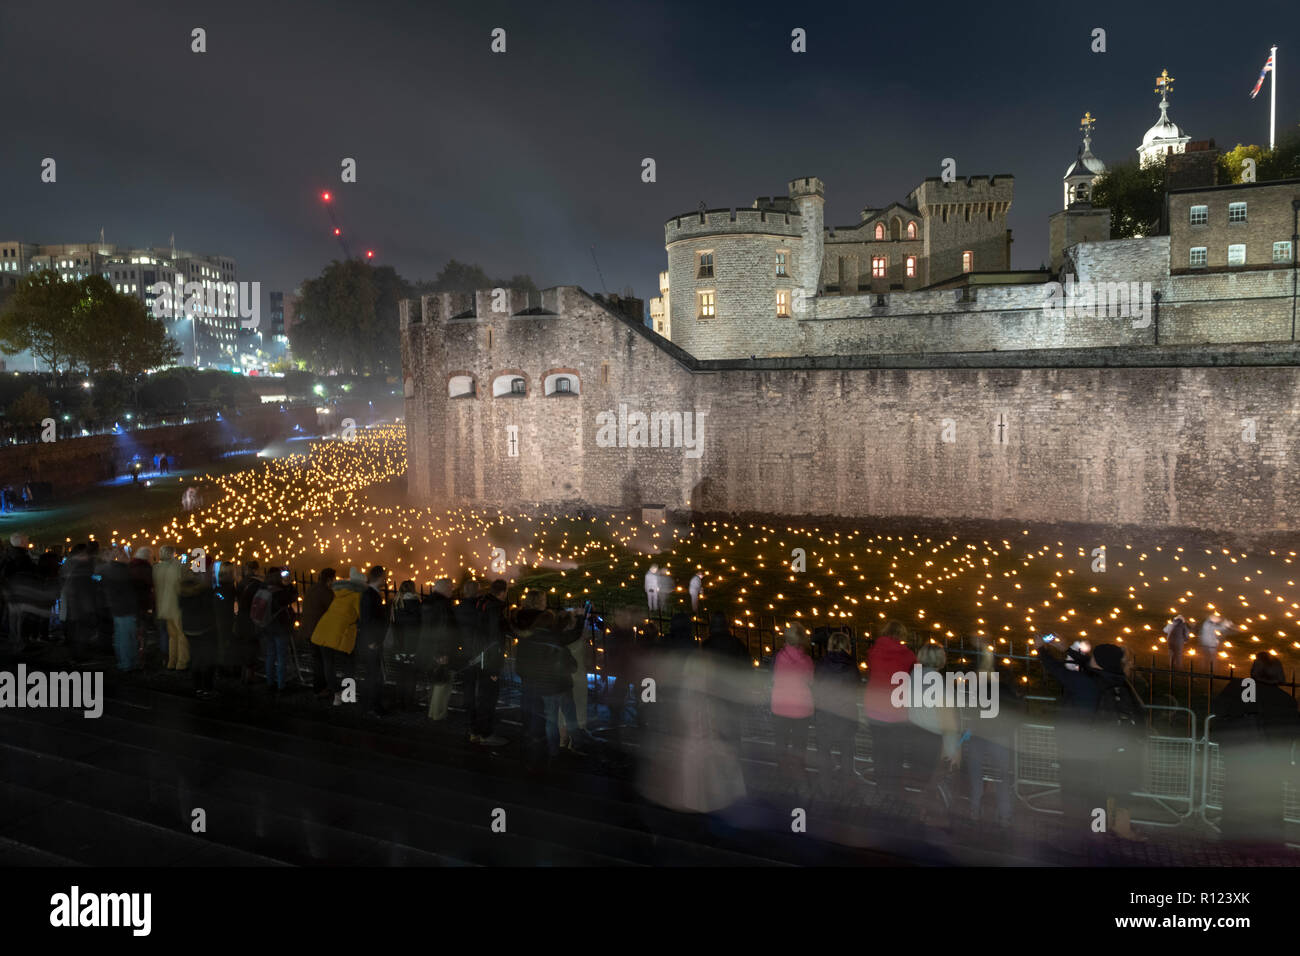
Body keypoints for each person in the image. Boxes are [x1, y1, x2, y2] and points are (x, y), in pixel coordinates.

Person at [1211, 655, 1300, 846]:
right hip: (1268, 761)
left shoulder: (1241, 686)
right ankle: (1266, 841)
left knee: (1236, 796)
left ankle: (1233, 837)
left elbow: (1218, 708)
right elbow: (1289, 733)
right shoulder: (1285, 701)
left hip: (1238, 754)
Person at [1089, 643, 1147, 842]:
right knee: (1120, 787)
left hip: (1106, 745)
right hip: (1122, 746)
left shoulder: (1100, 681)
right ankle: (1120, 827)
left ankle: (1102, 826)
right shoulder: (1119, 683)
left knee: (1107, 787)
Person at [964, 650, 1022, 829]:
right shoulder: (1006, 685)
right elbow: (1018, 709)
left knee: (975, 773)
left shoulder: (976, 685)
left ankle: (974, 809)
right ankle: (1005, 815)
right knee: (1002, 775)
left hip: (978, 733)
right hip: (1000, 735)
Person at [863, 620, 917, 803]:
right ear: (901, 635)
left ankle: (881, 787)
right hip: (897, 711)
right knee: (895, 753)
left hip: (875, 709)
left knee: (879, 750)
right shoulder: (908, 655)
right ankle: (893, 790)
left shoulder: (874, 652)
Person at [908, 643, 962, 827]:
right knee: (936, 779)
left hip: (915, 733)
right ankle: (934, 818)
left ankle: (922, 815)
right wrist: (952, 750)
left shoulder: (913, 676)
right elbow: (947, 720)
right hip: (933, 738)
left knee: (924, 778)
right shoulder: (938, 682)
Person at [463, 579, 509, 745]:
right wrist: (494, 669)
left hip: (474, 657)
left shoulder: (480, 604)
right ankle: (486, 734)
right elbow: (494, 641)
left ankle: (474, 731)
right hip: (488, 662)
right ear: (503, 592)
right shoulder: (494, 609)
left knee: (477, 697)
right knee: (488, 698)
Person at [814, 631, 861, 794]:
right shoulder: (852, 666)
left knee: (824, 752)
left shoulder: (820, 664)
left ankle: (825, 786)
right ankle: (847, 785)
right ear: (847, 646)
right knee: (847, 752)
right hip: (845, 716)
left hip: (824, 715)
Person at [311, 568, 365, 705]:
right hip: (341, 633)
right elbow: (362, 616)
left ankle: (336, 696)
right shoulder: (357, 596)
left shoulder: (339, 593)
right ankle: (348, 695)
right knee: (349, 665)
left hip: (323, 630)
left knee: (328, 664)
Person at [770, 623, 815, 780]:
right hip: (800, 708)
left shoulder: (778, 657)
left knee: (781, 741)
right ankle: (798, 770)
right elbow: (810, 681)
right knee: (799, 743)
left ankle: (782, 770)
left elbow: (774, 678)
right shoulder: (807, 660)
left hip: (780, 706)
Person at [179, 567, 219, 698]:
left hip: (189, 628)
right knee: (208, 658)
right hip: (205, 629)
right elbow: (218, 600)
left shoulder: (182, 591)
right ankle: (207, 688)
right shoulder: (204, 591)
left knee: (195, 656)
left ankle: (197, 687)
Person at [257, 567, 297, 694]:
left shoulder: (263, 587)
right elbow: (293, 597)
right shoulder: (279, 592)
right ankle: (281, 685)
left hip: (266, 625)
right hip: (279, 627)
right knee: (281, 657)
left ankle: (270, 682)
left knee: (270, 655)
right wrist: (289, 583)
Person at [421, 578, 456, 720]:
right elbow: (442, 630)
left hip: (428, 647)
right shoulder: (442, 605)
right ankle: (438, 713)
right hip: (439, 649)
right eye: (450, 588)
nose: (452, 590)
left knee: (435, 681)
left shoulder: (427, 601)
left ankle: (433, 712)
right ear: (444, 588)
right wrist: (442, 652)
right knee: (442, 683)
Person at [59, 544, 97, 665]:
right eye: (84, 553)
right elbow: (83, 586)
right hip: (80, 605)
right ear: (79, 554)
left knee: (74, 630)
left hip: (73, 604)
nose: (87, 555)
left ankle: (75, 655)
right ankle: (79, 657)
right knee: (80, 631)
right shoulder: (80, 568)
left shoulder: (70, 565)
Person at [301, 569, 337, 697]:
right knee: (326, 661)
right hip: (320, 632)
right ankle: (328, 688)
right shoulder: (326, 592)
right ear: (329, 579)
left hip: (308, 630)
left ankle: (318, 688)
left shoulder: (312, 589)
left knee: (317, 660)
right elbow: (334, 611)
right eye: (334, 579)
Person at [105, 547, 142, 671]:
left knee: (123, 636)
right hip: (125, 608)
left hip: (118, 608)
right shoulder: (121, 571)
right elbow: (130, 591)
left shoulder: (112, 569)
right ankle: (127, 663)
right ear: (120, 557)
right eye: (125, 555)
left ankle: (126, 662)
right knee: (126, 637)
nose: (128, 557)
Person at [358, 566, 388, 716]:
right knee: (373, 675)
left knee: (373, 674)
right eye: (384, 576)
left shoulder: (372, 594)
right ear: (379, 577)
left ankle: (371, 704)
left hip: (374, 641)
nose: (386, 579)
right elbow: (367, 619)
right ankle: (373, 706)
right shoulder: (370, 595)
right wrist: (371, 641)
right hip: (372, 642)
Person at [390, 579, 422, 710]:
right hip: (412, 646)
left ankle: (399, 700)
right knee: (411, 676)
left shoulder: (396, 603)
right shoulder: (416, 603)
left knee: (400, 675)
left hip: (399, 645)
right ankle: (409, 703)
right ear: (413, 589)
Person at [153, 545, 187, 670]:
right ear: (173, 553)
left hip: (163, 606)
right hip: (177, 606)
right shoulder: (178, 567)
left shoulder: (156, 568)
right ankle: (182, 663)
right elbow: (181, 585)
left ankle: (171, 662)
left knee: (172, 636)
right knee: (181, 635)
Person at [234, 562, 263, 684]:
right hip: (251, 618)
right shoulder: (257, 585)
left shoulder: (242, 583)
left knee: (244, 645)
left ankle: (242, 673)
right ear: (256, 570)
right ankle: (249, 676)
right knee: (252, 646)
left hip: (241, 617)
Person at [214, 562, 238, 676]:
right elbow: (222, 598)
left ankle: (222, 666)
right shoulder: (226, 586)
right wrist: (220, 597)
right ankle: (223, 667)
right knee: (224, 642)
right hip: (224, 617)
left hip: (221, 616)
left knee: (222, 642)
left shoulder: (222, 585)